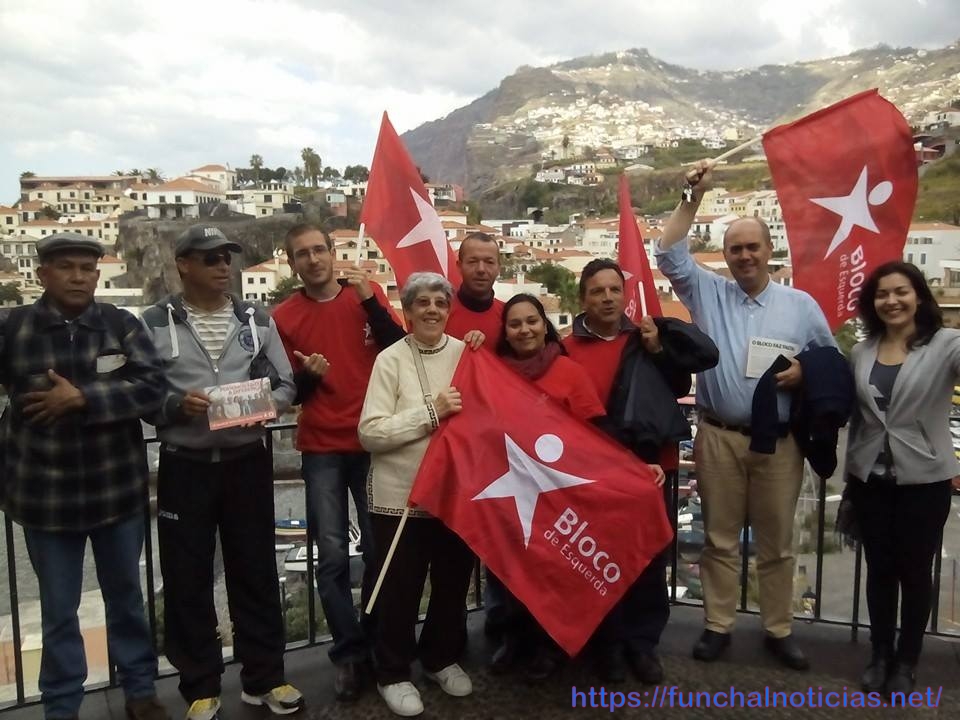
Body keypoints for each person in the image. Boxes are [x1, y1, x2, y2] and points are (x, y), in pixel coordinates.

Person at [655, 160, 837, 671]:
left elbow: (828, 362)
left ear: (768, 250)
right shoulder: (708, 291)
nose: (744, 255)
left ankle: (779, 629)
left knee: (778, 542)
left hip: (779, 441)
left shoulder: (800, 305)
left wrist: (804, 372)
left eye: (752, 246)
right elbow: (668, 252)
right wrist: (691, 198)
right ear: (727, 256)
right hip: (718, 436)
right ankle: (718, 625)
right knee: (718, 538)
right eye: (735, 248)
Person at [0, 233, 170, 720]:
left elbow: (153, 387)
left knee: (127, 601)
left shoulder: (120, 326)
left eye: (87, 269)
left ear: (99, 275)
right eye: (66, 267)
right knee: (58, 612)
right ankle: (62, 707)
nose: (78, 277)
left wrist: (85, 399)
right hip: (45, 500)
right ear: (43, 274)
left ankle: (140, 691)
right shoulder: (14, 329)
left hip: (116, 492)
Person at [141, 225, 301, 720]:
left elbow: (286, 383)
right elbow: (141, 393)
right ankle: (201, 687)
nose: (221, 267)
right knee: (187, 578)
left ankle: (265, 678)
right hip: (184, 467)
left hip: (246, 463)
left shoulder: (256, 319)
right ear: (183, 264)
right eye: (209, 259)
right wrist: (172, 405)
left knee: (254, 570)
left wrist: (262, 408)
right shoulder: (151, 322)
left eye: (225, 258)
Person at [563, 258, 717, 684]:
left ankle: (642, 645)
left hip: (652, 469)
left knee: (648, 560)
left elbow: (680, 387)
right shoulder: (566, 348)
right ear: (583, 299)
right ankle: (609, 644)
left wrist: (658, 351)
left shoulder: (648, 339)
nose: (608, 298)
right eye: (598, 291)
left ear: (625, 295)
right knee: (600, 563)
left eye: (615, 289)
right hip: (595, 476)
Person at [273, 223, 405, 702]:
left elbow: (400, 349)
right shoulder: (283, 317)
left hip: (373, 441)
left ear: (333, 253)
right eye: (301, 254)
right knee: (330, 557)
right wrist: (309, 378)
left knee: (377, 551)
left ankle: (371, 636)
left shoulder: (364, 298)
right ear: (292, 263)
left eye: (318, 250)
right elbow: (290, 395)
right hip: (323, 448)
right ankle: (349, 653)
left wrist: (372, 302)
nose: (312, 260)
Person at [358, 272, 474, 717]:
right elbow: (370, 432)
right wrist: (431, 413)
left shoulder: (467, 355)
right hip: (400, 498)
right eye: (421, 303)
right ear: (406, 312)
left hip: (455, 495)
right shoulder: (389, 360)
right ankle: (393, 671)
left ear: (449, 310)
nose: (431, 310)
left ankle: (440, 657)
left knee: (452, 585)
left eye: (439, 303)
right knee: (400, 590)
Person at [845, 262, 959, 694]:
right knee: (879, 571)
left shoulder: (946, 344)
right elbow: (859, 417)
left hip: (925, 480)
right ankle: (879, 653)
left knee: (914, 573)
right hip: (870, 478)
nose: (891, 301)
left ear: (918, 296)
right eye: (882, 294)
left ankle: (907, 661)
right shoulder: (863, 350)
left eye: (901, 292)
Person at [490, 293, 605, 681]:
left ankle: (549, 647)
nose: (524, 330)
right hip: (510, 489)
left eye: (531, 321)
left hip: (558, 494)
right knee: (510, 572)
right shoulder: (493, 372)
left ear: (545, 324)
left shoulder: (569, 371)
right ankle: (515, 641)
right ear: (505, 332)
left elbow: (595, 434)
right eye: (515, 323)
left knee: (552, 573)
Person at [442, 230, 507, 636]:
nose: (482, 269)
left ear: (499, 267)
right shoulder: (438, 310)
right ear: (460, 266)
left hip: (500, 449)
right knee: (452, 550)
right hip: (450, 448)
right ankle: (450, 634)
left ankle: (503, 629)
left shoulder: (510, 314)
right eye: (473, 261)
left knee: (502, 547)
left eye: (490, 261)